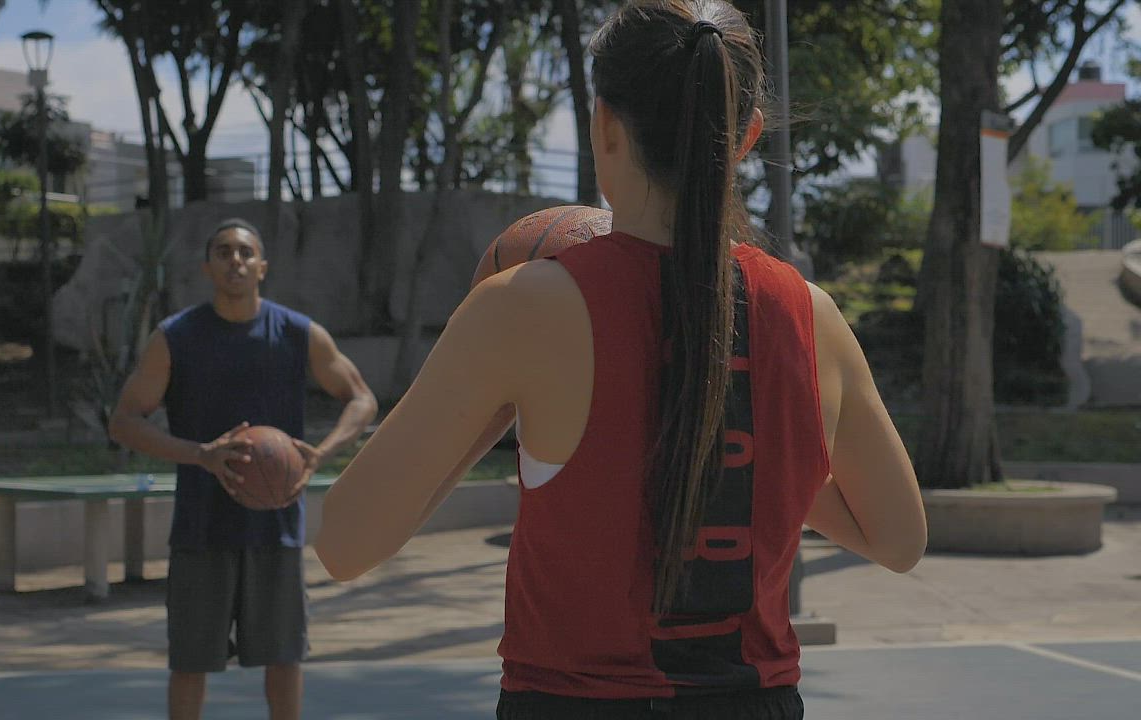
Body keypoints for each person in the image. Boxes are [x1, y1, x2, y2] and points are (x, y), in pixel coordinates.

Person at [315, 1, 926, 718]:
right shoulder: (811, 313)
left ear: (604, 124)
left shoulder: (523, 306)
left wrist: (491, 404)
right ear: (747, 137)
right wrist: (763, 453)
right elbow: (899, 541)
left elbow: (344, 544)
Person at [109, 218, 377, 720]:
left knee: (284, 659)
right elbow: (123, 421)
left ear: (262, 267)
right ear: (207, 267)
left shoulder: (297, 333)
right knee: (190, 663)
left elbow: (362, 398)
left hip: (275, 529)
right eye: (224, 251)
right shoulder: (175, 337)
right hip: (200, 529)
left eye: (245, 252)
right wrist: (200, 455)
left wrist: (321, 453)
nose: (235, 259)